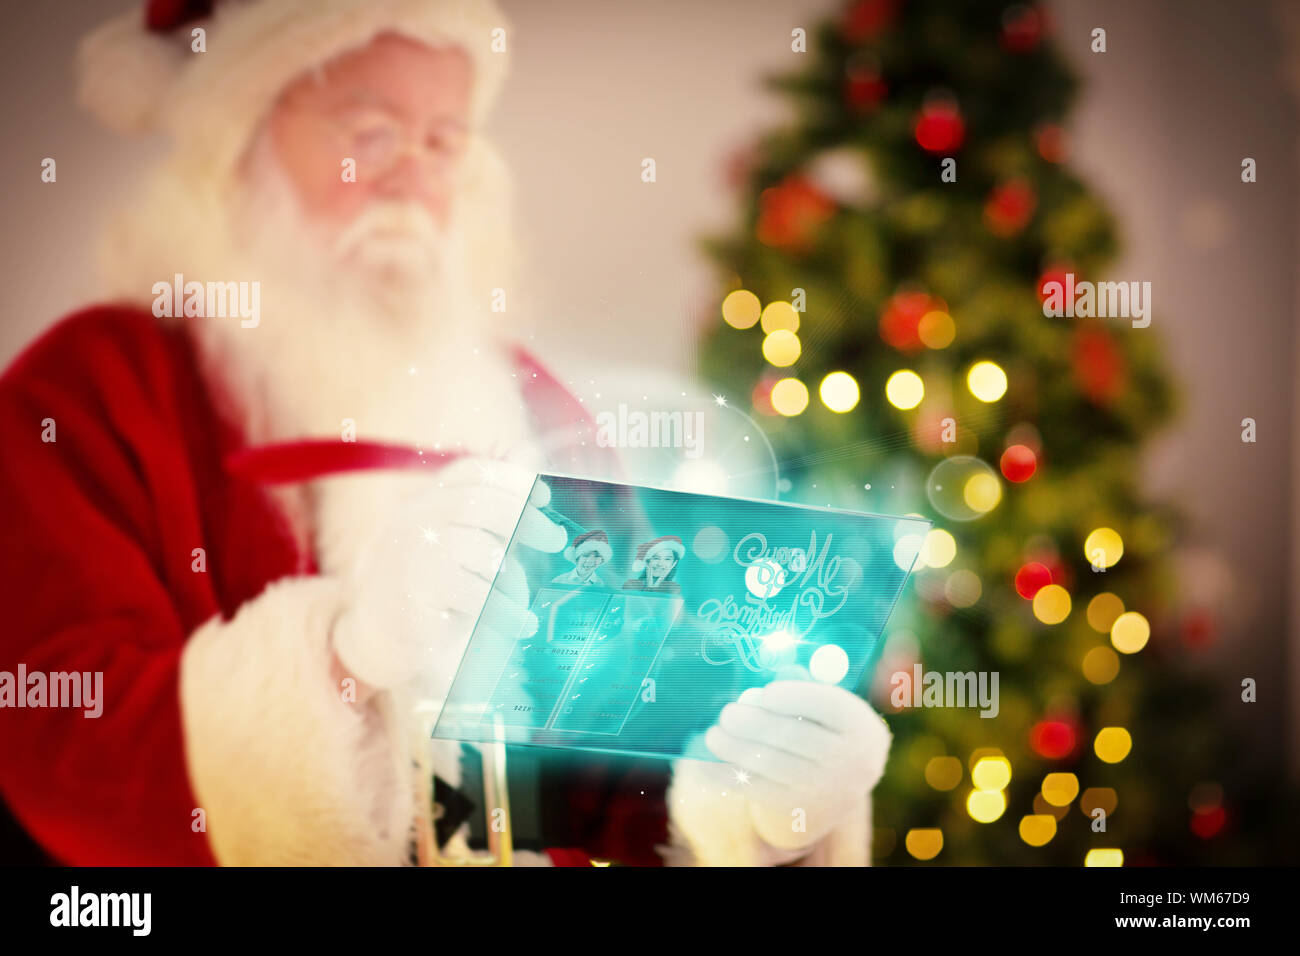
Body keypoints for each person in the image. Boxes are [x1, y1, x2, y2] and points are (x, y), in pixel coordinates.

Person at [0, 0, 892, 867]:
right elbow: (57, 742)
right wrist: (339, 664)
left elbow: (619, 714)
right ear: (240, 141)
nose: (411, 174)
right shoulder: (90, 388)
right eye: (369, 132)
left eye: (442, 139)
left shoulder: (533, 405)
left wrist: (749, 798)